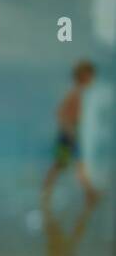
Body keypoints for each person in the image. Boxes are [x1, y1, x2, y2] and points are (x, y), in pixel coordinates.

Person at [44, 60, 101, 206]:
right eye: (90, 76)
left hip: (69, 134)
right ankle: (90, 193)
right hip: (68, 136)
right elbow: (61, 113)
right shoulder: (75, 94)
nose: (92, 79)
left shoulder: (77, 94)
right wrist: (69, 132)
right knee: (71, 165)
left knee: (63, 165)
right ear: (84, 76)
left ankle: (90, 192)